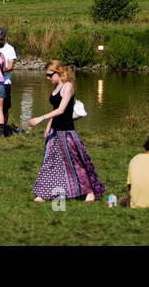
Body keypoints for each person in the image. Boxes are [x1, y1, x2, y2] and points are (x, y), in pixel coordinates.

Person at [28, 60, 105, 202]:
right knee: (50, 162)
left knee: (75, 162)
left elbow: (62, 109)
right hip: (55, 131)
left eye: (50, 75)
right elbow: (55, 109)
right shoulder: (56, 87)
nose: (48, 78)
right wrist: (49, 125)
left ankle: (89, 192)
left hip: (66, 132)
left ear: (58, 72)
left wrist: (41, 118)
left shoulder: (68, 86)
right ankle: (44, 193)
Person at [0, 27, 18, 130]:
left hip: (5, 82)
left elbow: (11, 67)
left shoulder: (10, 49)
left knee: (5, 108)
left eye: (1, 37)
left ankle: (3, 129)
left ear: (5, 37)